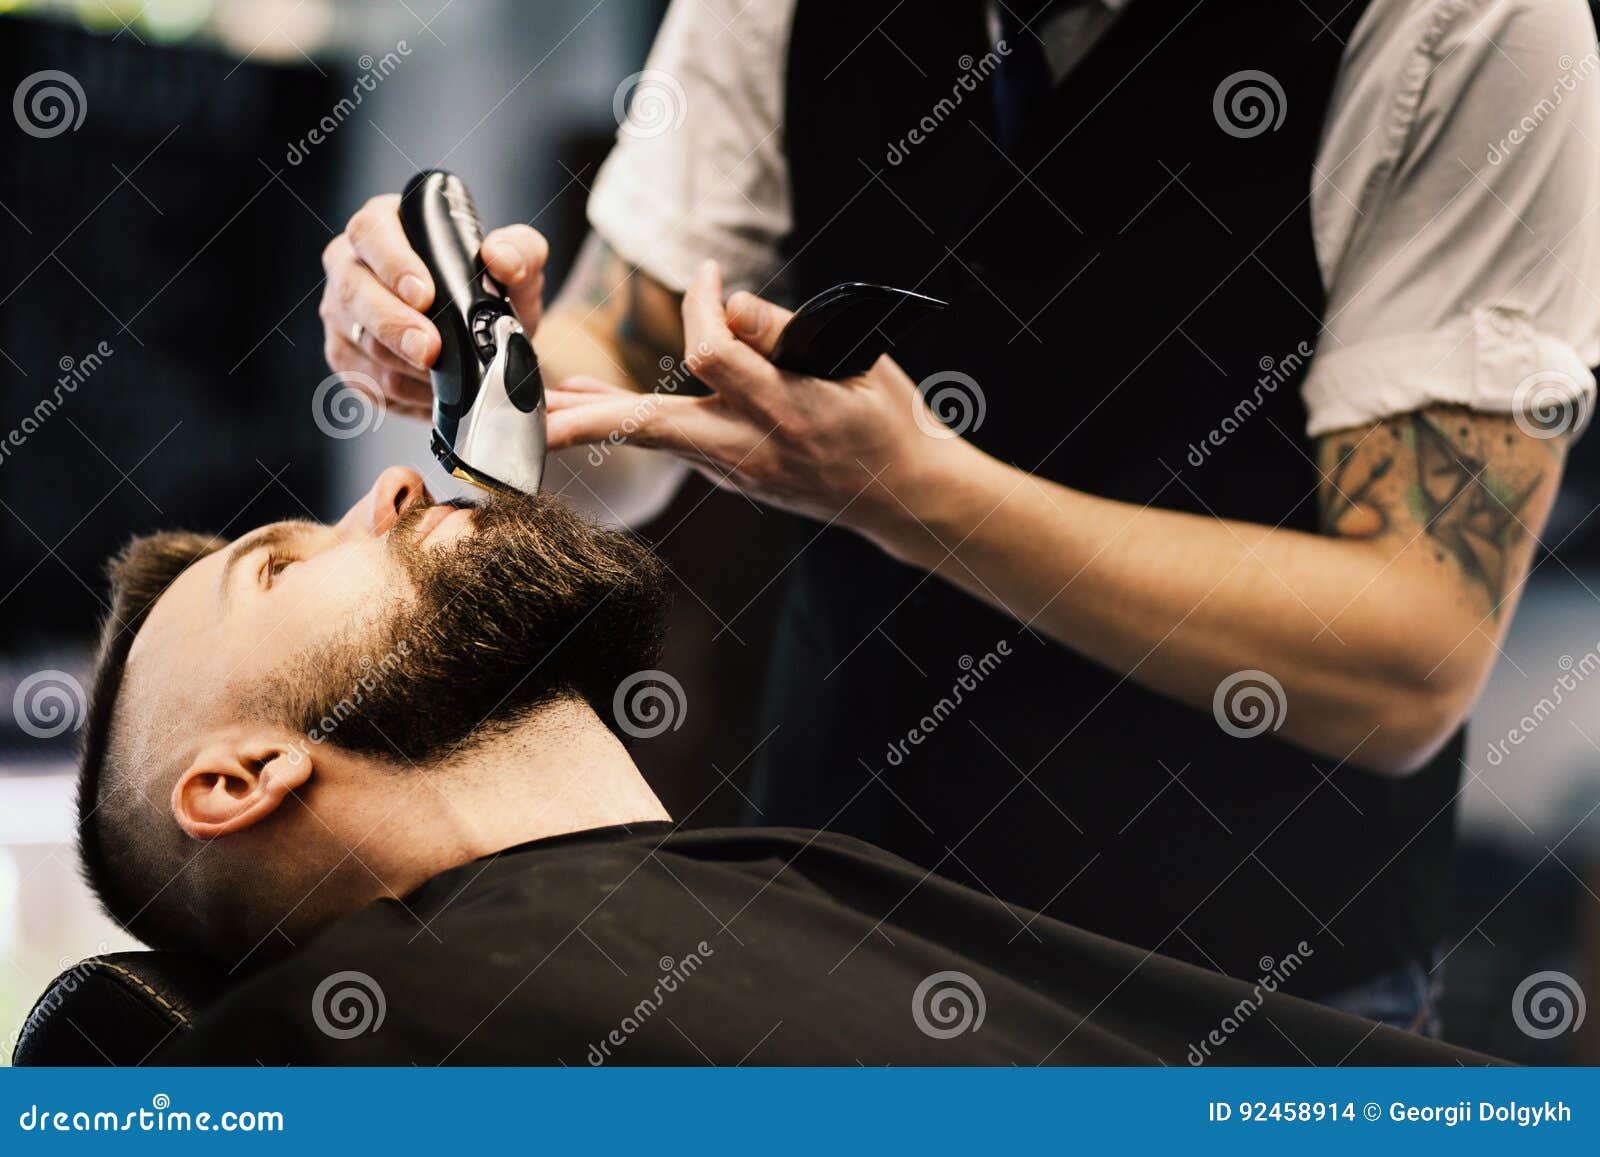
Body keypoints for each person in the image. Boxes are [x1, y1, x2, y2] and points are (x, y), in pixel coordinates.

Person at [316, 0, 1600, 1028]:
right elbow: (629, 389)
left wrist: (914, 493)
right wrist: (502, 375)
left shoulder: (1468, 28)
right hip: (831, 927)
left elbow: (1409, 650)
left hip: (1243, 989)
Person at [73, 467, 1485, 1065]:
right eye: (286, 562)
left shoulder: (706, 919)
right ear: (237, 778)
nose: (384, 488)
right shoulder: (347, 1055)